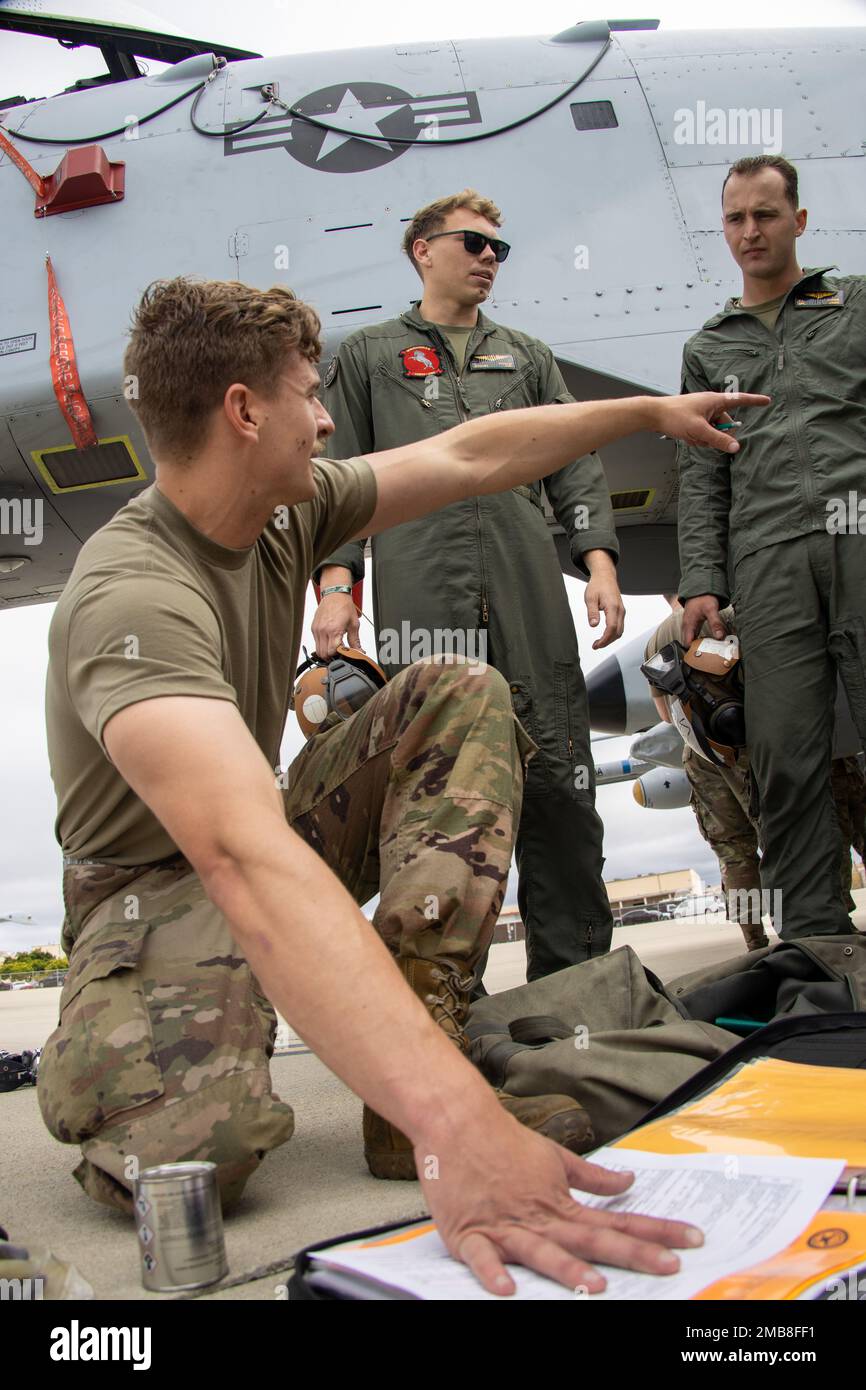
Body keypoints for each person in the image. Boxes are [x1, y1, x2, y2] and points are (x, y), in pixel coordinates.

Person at [38, 275, 762, 1294]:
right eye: (308, 392)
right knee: (198, 1154)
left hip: (253, 831)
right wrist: (463, 1133)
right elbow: (236, 858)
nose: (330, 417)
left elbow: (471, 452)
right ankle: (403, 1090)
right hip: (150, 891)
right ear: (244, 413)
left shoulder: (283, 516)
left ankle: (409, 1089)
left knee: (455, 689)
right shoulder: (133, 593)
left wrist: (649, 413)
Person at [313, 190, 623, 982]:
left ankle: (574, 990)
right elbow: (342, 474)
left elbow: (575, 456)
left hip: (526, 589)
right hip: (421, 592)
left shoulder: (525, 355)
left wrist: (598, 561)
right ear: (422, 249)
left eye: (499, 249)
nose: (490, 258)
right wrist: (337, 582)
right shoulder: (373, 355)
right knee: (435, 796)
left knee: (558, 780)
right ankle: (447, 1000)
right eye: (474, 244)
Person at [677, 154, 866, 941]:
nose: (750, 231)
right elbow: (700, 475)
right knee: (785, 760)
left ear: (799, 220)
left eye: (764, 214)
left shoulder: (852, 306)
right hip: (769, 564)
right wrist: (700, 583)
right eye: (735, 218)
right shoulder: (706, 347)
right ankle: (820, 951)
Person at [644, 605, 864, 950]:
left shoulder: (657, 638)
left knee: (735, 854)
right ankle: (831, 923)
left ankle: (756, 943)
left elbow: (666, 715)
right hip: (766, 740)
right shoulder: (738, 610)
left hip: (706, 755)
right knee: (815, 823)